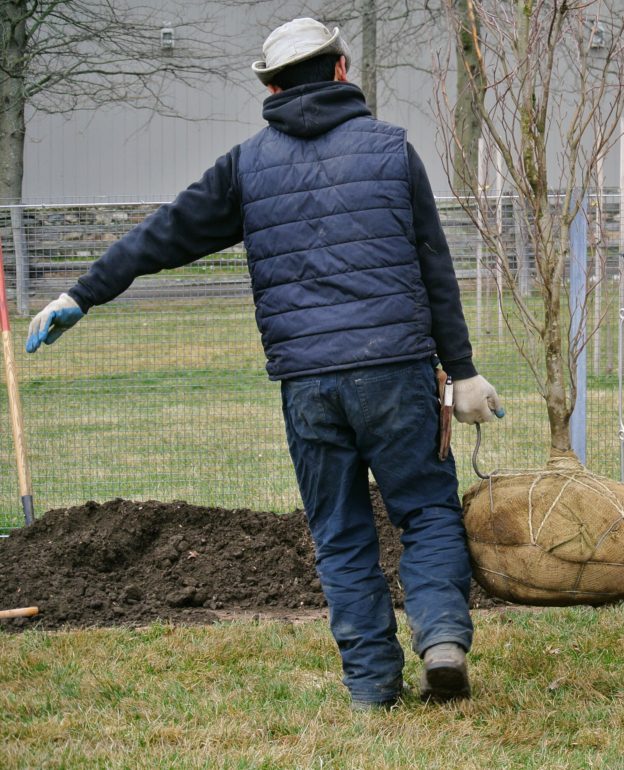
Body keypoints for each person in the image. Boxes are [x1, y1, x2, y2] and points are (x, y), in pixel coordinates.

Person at [25, 17, 503, 711]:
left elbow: (161, 234)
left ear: (272, 87)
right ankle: (442, 643)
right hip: (397, 370)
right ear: (341, 71)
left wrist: (80, 292)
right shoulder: (393, 152)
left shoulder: (247, 167)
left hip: (308, 385)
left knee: (340, 532)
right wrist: (460, 371)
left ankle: (372, 689)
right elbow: (436, 269)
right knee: (427, 511)